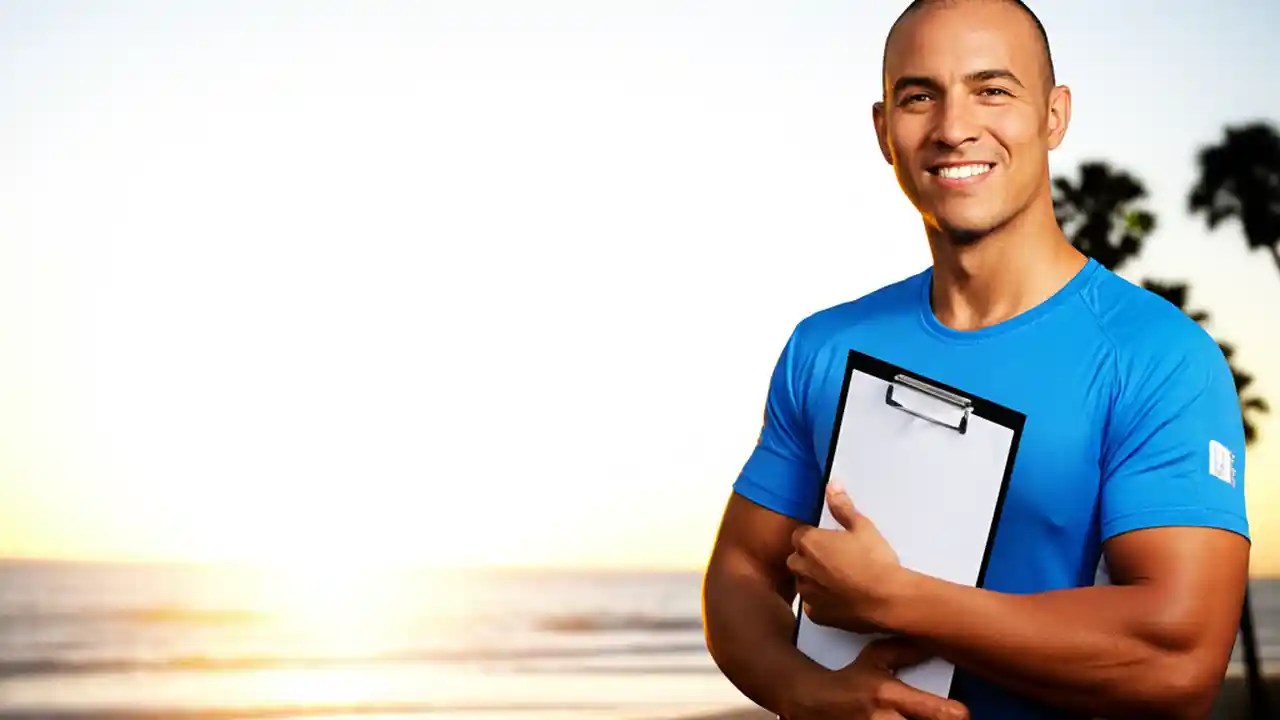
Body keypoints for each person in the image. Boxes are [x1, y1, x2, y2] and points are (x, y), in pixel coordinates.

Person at [700, 1, 1252, 718]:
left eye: (993, 90)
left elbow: (1178, 664)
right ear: (882, 130)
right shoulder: (825, 346)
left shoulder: (1158, 357)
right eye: (919, 96)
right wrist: (811, 695)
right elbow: (741, 572)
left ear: (1054, 116)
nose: (954, 127)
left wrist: (897, 599)